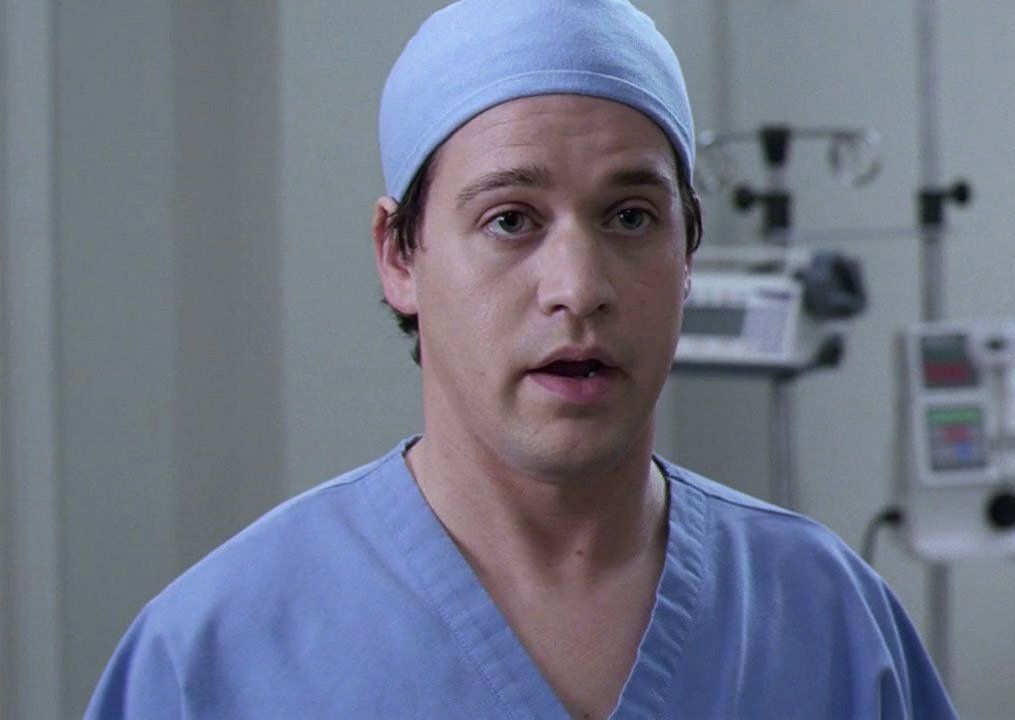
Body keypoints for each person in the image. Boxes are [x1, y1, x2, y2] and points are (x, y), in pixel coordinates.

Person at [86, 1, 957, 718]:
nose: (579, 288)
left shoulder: (831, 627)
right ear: (399, 255)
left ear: (688, 253)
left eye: (630, 218)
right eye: (510, 220)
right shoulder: (215, 658)